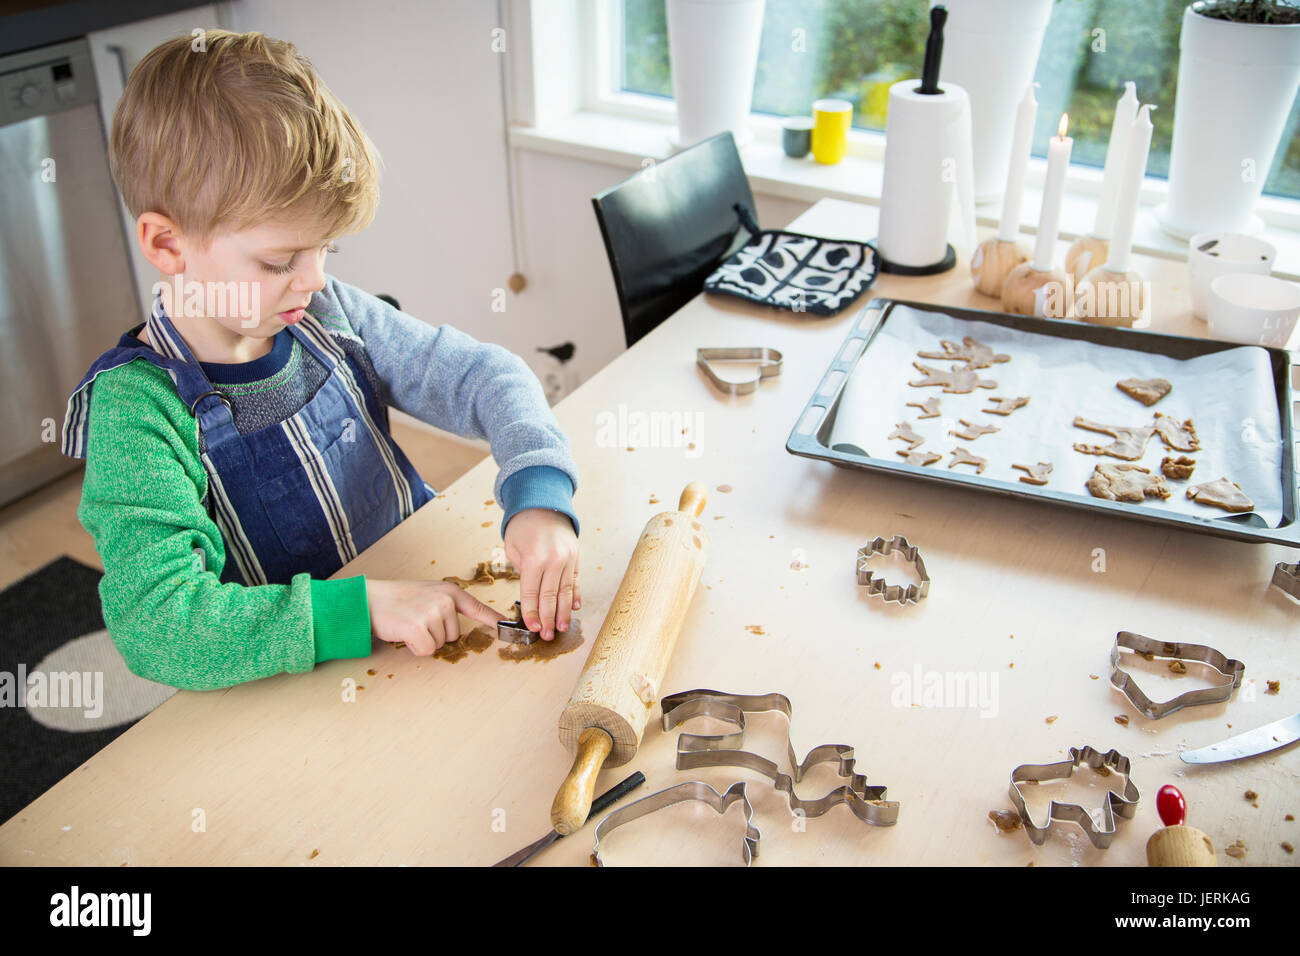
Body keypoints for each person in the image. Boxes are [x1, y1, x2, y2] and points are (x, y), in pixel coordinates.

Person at [60, 30, 580, 691]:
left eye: (326, 249)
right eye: (280, 260)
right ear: (167, 243)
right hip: (298, 693)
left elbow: (488, 377)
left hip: (421, 645)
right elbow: (159, 625)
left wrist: (539, 495)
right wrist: (360, 607)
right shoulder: (138, 410)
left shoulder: (329, 312)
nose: (311, 279)